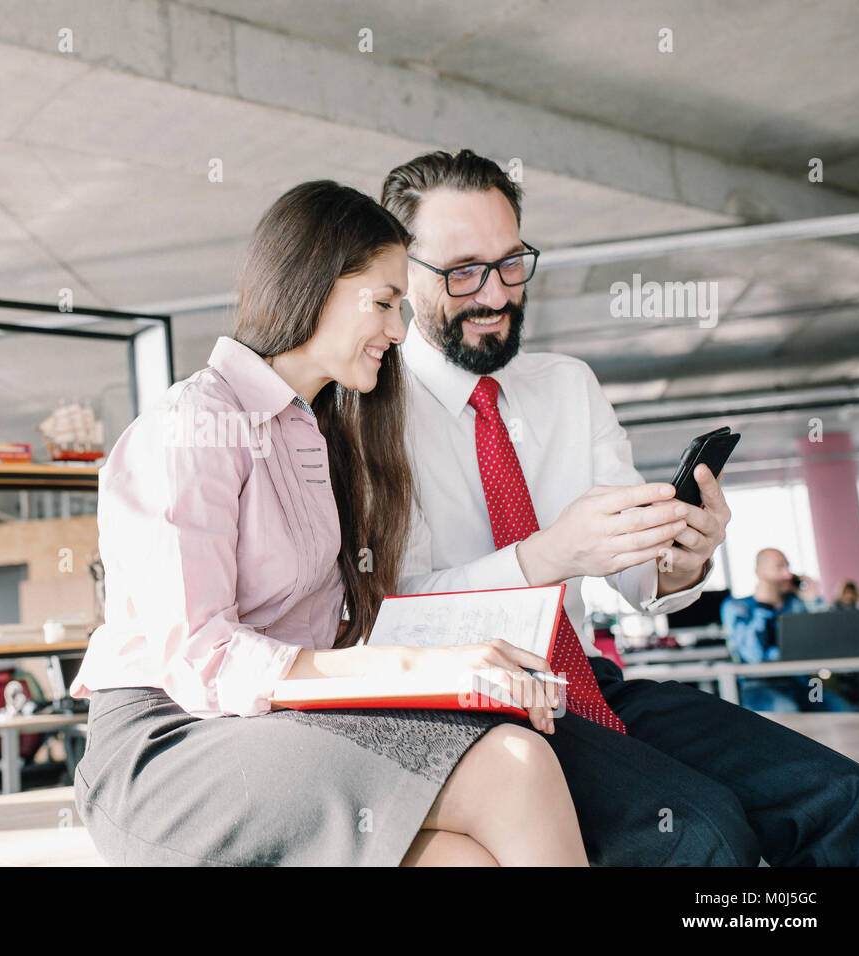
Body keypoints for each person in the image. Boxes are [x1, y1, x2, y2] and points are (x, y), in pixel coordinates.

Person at [70, 180, 587, 866]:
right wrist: (415, 665)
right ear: (308, 287)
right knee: (514, 765)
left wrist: (456, 668)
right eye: (382, 302)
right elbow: (203, 660)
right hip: (171, 746)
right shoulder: (196, 422)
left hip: (277, 733)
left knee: (467, 855)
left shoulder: (321, 434)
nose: (400, 331)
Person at [382, 148, 859, 866]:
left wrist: (678, 559)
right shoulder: (368, 410)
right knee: (699, 838)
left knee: (843, 799)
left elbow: (635, 574)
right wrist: (549, 555)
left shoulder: (567, 386)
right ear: (400, 273)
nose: (495, 294)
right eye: (462, 272)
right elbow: (389, 611)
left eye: (511, 263)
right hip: (470, 706)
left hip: (587, 680)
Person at [721, 549, 857, 712]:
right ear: (759, 573)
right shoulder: (736, 607)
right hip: (760, 685)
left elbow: (827, 641)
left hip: (805, 684)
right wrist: (764, 607)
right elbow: (753, 656)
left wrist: (813, 601)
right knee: (786, 711)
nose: (787, 574)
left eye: (788, 567)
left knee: (840, 709)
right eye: (779, 568)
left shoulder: (796, 603)